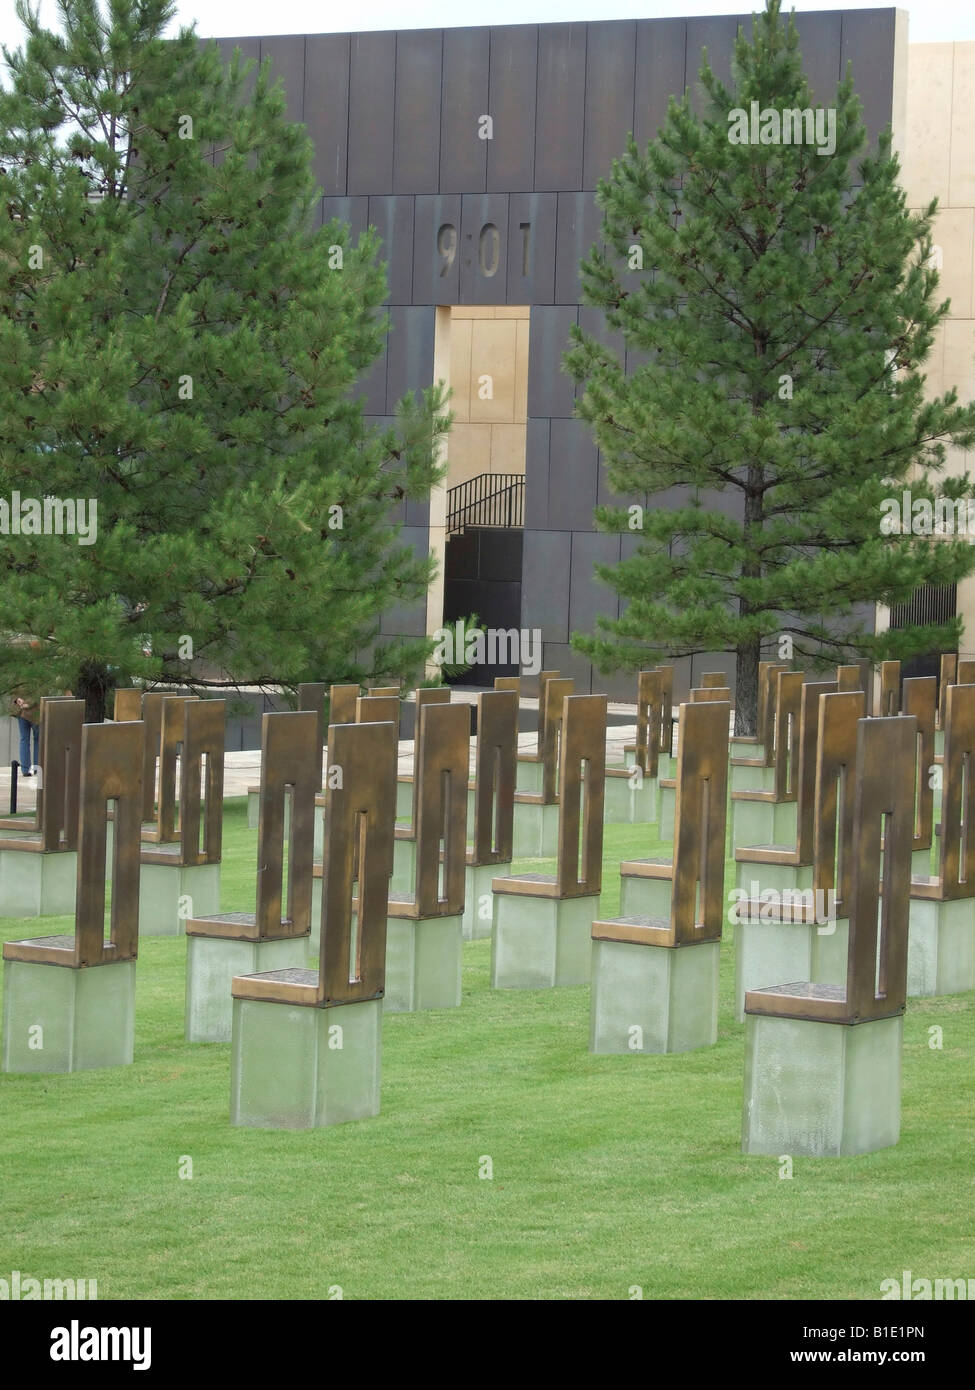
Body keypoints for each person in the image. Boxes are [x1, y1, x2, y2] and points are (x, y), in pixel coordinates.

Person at [10, 686, 40, 776]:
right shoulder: (41, 674)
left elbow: (13, 688)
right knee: (37, 740)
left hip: (22, 712)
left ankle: (25, 769)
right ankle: (36, 768)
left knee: (24, 740)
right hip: (35, 713)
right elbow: (40, 692)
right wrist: (28, 703)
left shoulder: (19, 675)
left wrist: (18, 699)